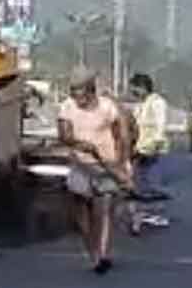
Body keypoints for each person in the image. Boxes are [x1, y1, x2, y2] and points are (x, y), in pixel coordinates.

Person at [58, 66, 131, 275]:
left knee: (104, 210)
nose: (76, 97)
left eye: (79, 91)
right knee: (81, 212)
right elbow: (64, 135)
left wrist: (122, 164)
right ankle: (92, 250)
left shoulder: (107, 107)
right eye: (73, 92)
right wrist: (80, 144)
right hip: (81, 164)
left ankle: (103, 254)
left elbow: (122, 136)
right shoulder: (67, 107)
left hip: (106, 165)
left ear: (90, 90)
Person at [128, 73, 171, 229]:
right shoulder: (142, 104)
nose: (133, 93)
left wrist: (153, 147)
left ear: (143, 87)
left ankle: (158, 214)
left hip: (153, 149)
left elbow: (161, 127)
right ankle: (146, 212)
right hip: (141, 148)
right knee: (141, 183)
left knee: (153, 182)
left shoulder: (158, 103)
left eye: (135, 89)